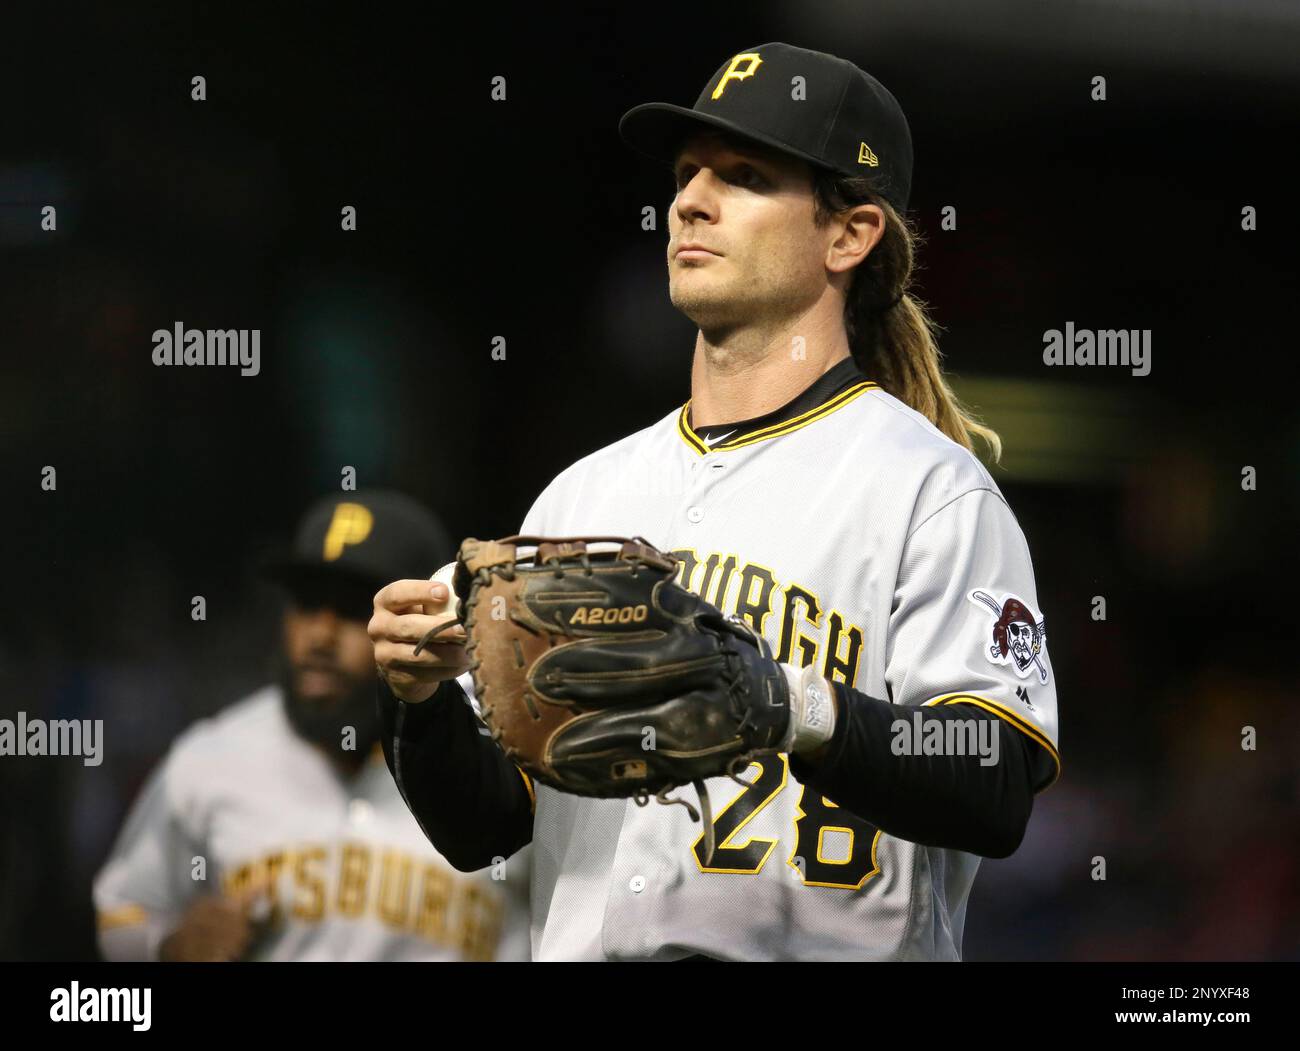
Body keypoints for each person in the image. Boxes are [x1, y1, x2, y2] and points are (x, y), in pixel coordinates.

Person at [369, 42, 1059, 961]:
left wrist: (792, 704)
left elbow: (996, 776)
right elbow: (486, 824)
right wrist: (418, 700)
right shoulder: (584, 494)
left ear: (848, 235)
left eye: (744, 175)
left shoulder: (928, 489)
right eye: (688, 173)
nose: (689, 199)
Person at [94, 491, 530, 961]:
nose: (319, 635)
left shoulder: (503, 767)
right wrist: (168, 943)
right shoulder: (210, 759)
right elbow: (122, 912)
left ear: (432, 620)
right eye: (306, 604)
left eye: (351, 608)